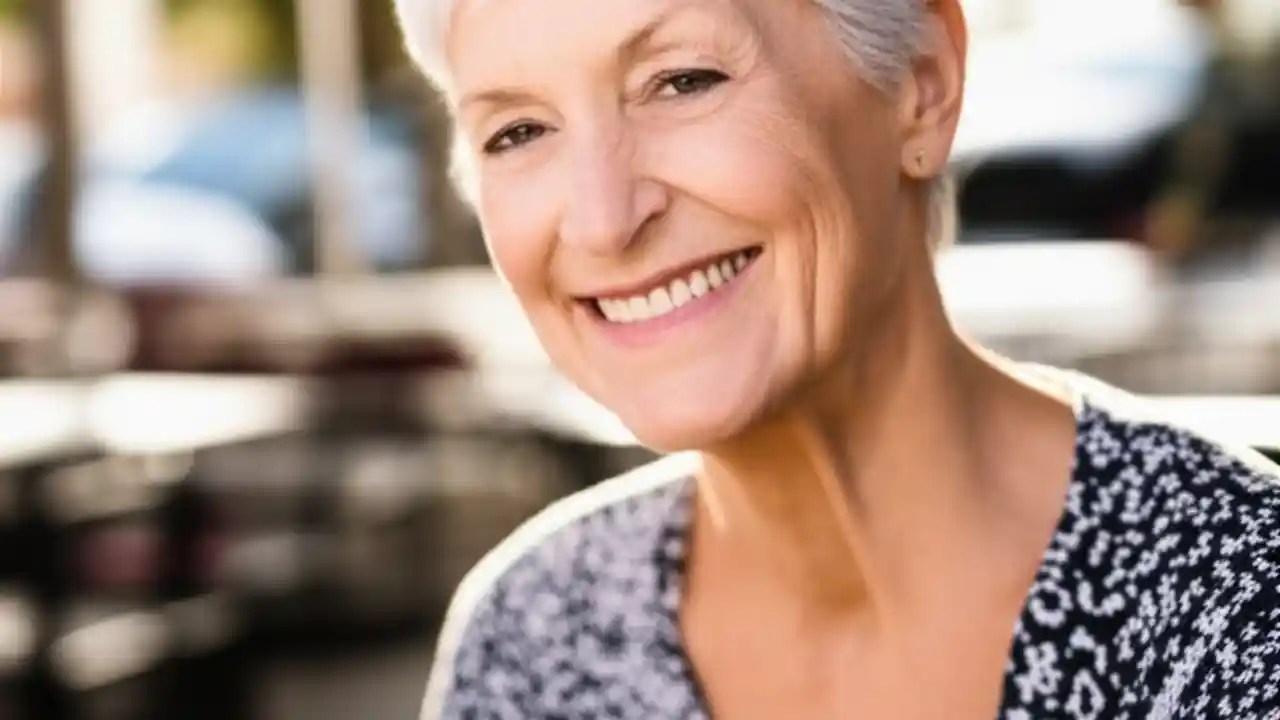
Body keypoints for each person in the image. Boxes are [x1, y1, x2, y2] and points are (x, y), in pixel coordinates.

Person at [395, 0, 1280, 716]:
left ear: (922, 84)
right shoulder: (534, 639)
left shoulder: (1235, 604)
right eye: (517, 132)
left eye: (680, 80)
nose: (601, 219)